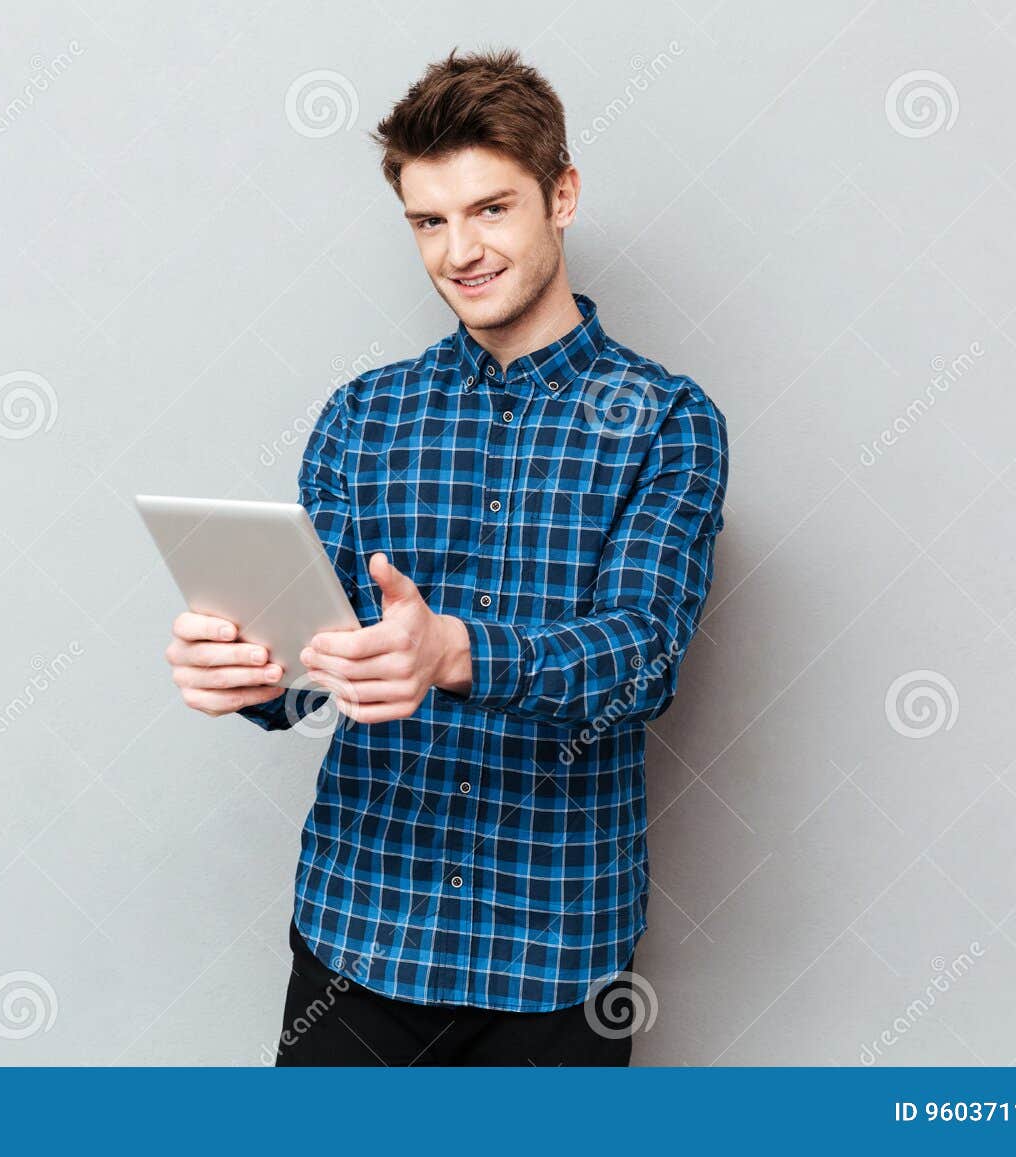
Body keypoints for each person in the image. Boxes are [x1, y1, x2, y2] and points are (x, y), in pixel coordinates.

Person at [164, 46, 729, 1065]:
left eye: (491, 209)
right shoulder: (363, 414)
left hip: (551, 955)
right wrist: (246, 670)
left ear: (562, 196)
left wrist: (457, 650)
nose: (459, 250)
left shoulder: (667, 421)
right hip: (357, 933)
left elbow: (643, 657)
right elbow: (309, 674)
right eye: (429, 220)